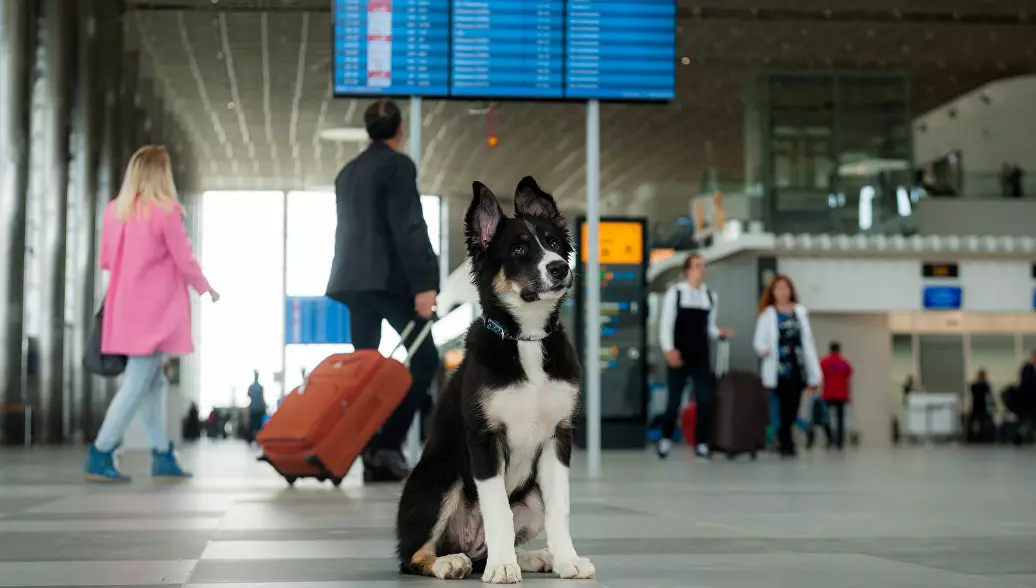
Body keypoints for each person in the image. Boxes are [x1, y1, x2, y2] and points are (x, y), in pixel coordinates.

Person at [84, 145, 219, 483]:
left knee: (151, 383)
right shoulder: (165, 211)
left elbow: (105, 259)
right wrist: (206, 287)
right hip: (152, 313)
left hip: (122, 309)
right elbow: (184, 259)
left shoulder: (114, 211)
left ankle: (161, 455)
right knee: (136, 384)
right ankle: (100, 452)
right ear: (162, 174)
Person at [325, 99, 440, 482]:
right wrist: (425, 284)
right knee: (424, 360)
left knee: (365, 373)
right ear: (400, 130)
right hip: (389, 283)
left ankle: (369, 450)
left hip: (353, 284)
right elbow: (408, 226)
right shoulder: (397, 166)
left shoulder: (347, 173)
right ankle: (386, 445)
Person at [657, 254, 733, 459]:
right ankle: (665, 440)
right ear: (687, 270)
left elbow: (709, 327)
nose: (701, 269)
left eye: (703, 266)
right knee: (674, 402)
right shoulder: (676, 293)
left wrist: (719, 333)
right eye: (697, 266)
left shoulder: (710, 296)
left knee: (705, 400)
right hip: (679, 354)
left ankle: (701, 442)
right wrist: (669, 349)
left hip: (701, 355)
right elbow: (666, 324)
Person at [752, 274, 821, 458]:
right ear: (773, 292)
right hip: (779, 367)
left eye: (786, 288)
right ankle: (786, 441)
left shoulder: (800, 311)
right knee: (785, 403)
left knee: (794, 403)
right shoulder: (768, 314)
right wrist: (765, 350)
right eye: (779, 288)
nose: (783, 291)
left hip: (798, 365)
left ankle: (785, 435)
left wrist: (815, 372)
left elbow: (808, 342)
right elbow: (758, 341)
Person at [819, 341, 853, 450]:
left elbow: (819, 375)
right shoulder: (844, 363)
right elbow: (849, 376)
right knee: (840, 419)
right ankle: (839, 442)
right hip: (841, 395)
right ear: (839, 350)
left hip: (827, 394)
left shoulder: (824, 362)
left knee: (825, 417)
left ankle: (829, 439)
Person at [967, 369, 994, 443]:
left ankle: (978, 439)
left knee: (980, 425)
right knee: (978, 425)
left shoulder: (978, 386)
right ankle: (978, 439)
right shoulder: (981, 386)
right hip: (979, 408)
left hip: (980, 408)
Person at [246, 370, 266, 444]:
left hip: (256, 409)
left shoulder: (254, 387)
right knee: (256, 426)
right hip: (255, 409)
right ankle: (254, 440)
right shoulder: (259, 387)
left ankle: (255, 440)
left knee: (256, 425)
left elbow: (249, 395)